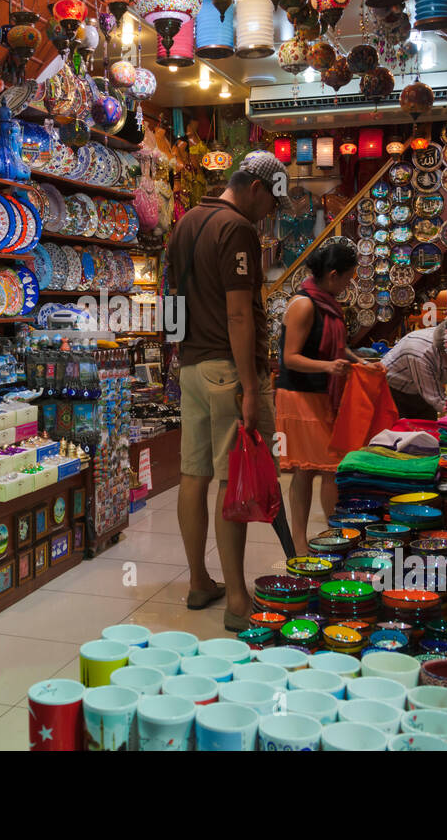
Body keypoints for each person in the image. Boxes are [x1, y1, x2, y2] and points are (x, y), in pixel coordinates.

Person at [166, 151, 287, 633]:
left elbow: (171, 301)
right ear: (256, 187)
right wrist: (251, 385)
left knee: (193, 474)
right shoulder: (236, 228)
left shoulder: (186, 223)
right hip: (225, 369)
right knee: (230, 477)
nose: (270, 214)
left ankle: (200, 581)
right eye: (271, 203)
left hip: (192, 366)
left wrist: (181, 351)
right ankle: (238, 599)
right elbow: (239, 314)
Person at [275, 242, 373, 555]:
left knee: (322, 468)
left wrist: (359, 361)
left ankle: (329, 537)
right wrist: (329, 366)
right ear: (332, 275)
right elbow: (289, 358)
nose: (349, 284)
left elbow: (332, 347)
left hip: (320, 394)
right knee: (322, 467)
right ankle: (312, 540)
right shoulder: (303, 305)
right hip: (300, 395)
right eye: (348, 278)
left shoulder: (327, 302)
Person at [380, 323, 447, 420]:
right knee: (401, 431)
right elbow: (437, 400)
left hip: (420, 389)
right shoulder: (421, 354)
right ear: (442, 353)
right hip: (394, 390)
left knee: (427, 429)